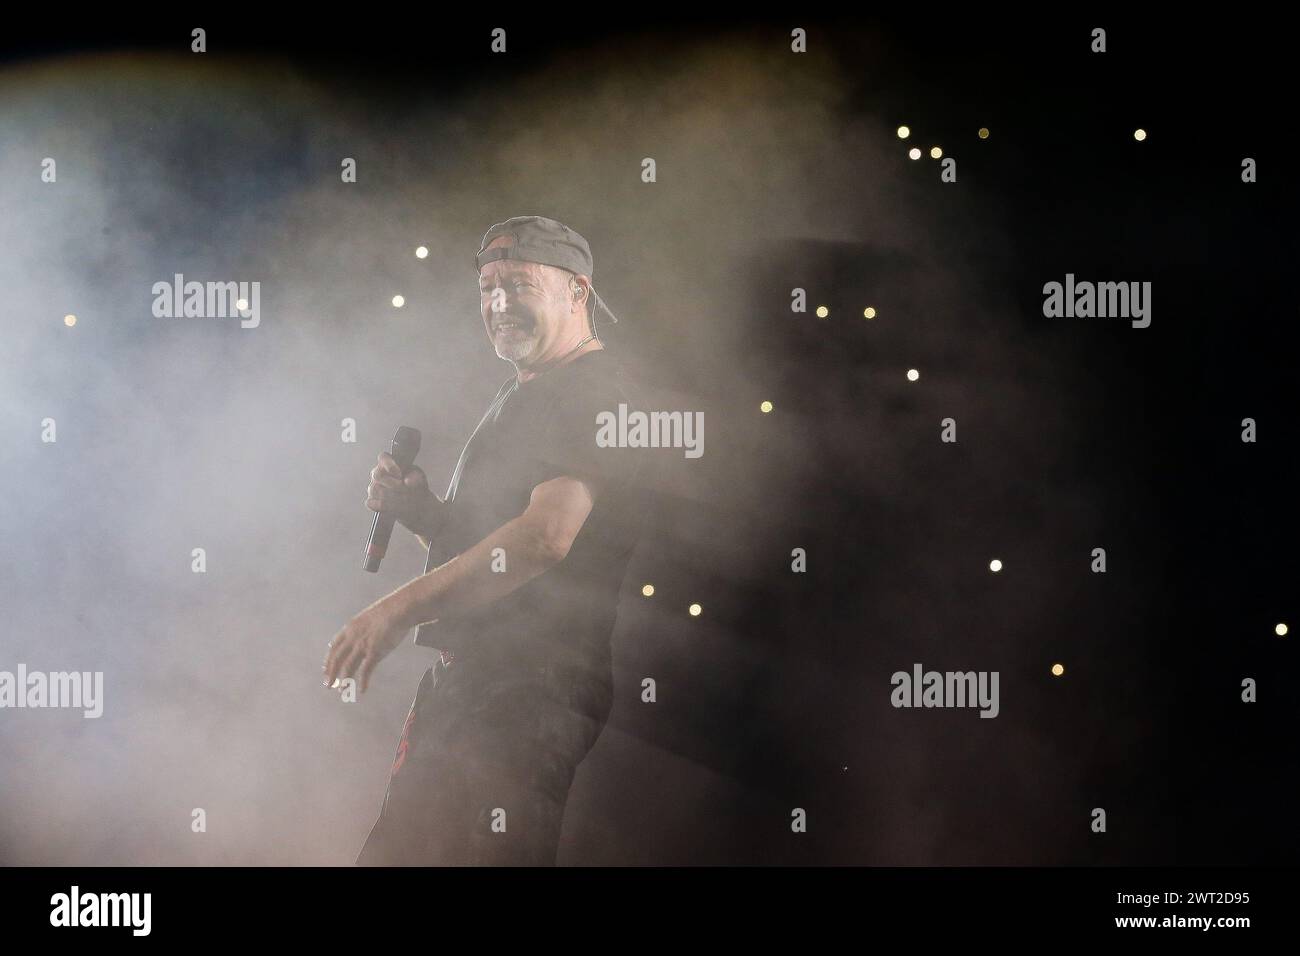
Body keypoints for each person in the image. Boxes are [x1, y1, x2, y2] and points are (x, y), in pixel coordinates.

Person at [322, 216, 644, 865]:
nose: (498, 304)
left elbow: (544, 539)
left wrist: (395, 609)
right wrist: (420, 512)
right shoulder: (526, 391)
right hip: (478, 678)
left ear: (577, 292)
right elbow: (490, 548)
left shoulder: (596, 391)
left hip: (529, 685)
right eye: (488, 287)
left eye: (519, 284)